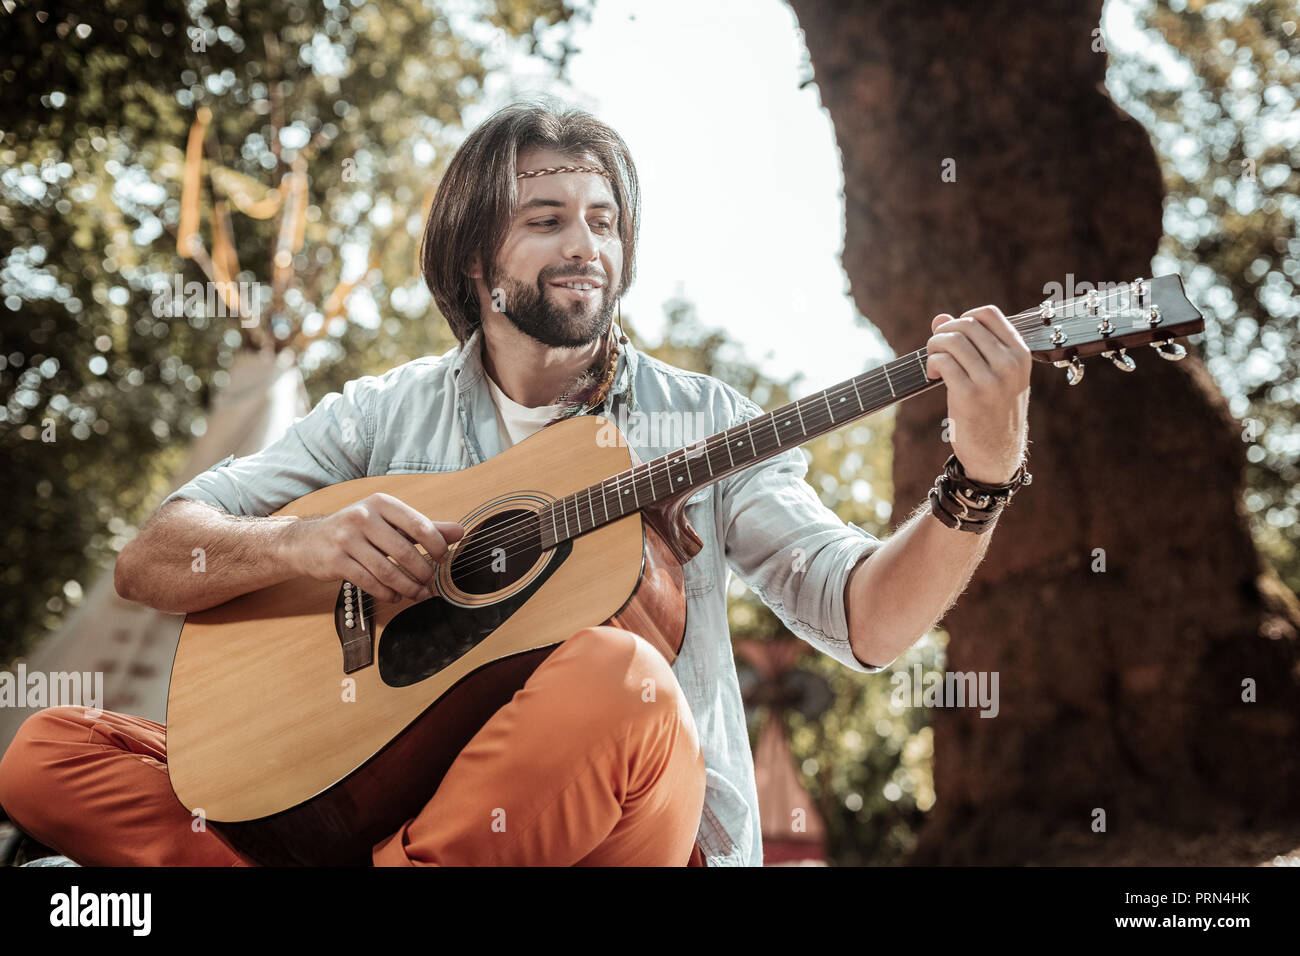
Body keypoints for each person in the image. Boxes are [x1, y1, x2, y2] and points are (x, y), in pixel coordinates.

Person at [0, 100, 1031, 867]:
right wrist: (301, 544)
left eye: (603, 220)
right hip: (378, 806)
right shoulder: (377, 414)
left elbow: (869, 620)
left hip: (627, 827)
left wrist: (977, 478)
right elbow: (153, 556)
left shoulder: (704, 422)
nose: (586, 244)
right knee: (47, 753)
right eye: (545, 219)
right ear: (474, 259)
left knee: (618, 676)